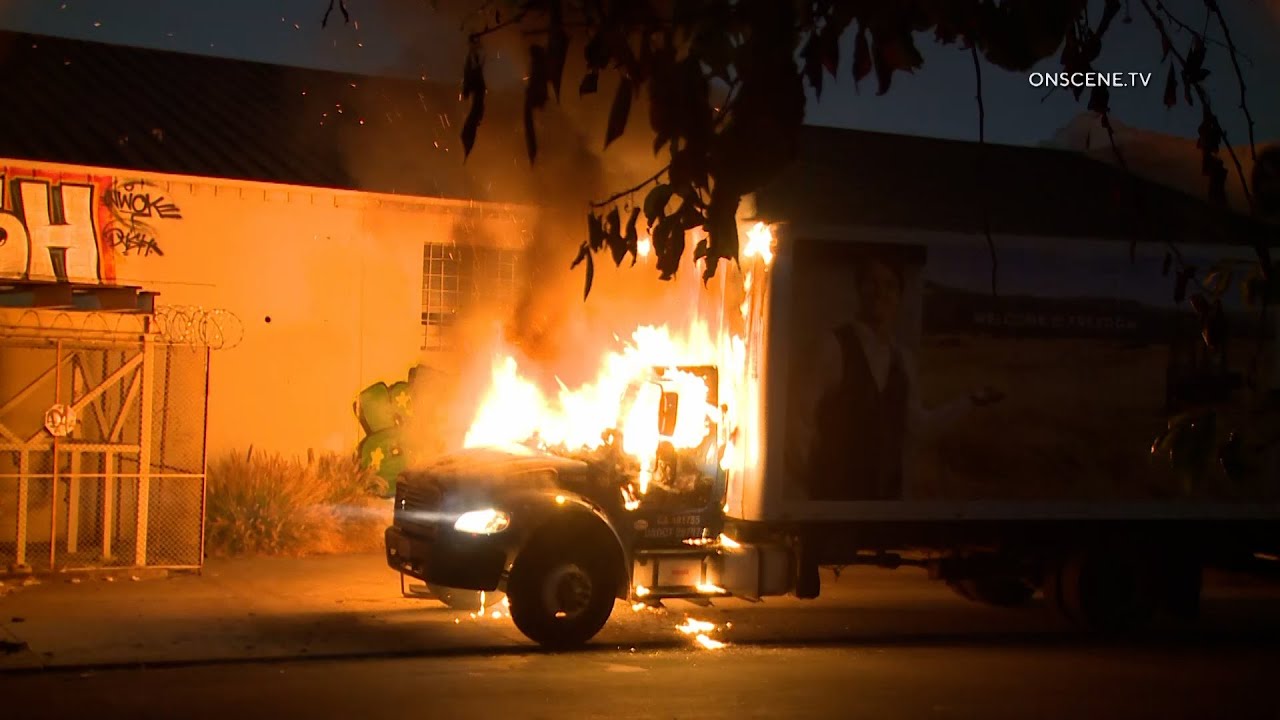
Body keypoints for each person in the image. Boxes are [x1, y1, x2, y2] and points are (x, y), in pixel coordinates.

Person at [792, 256, 1000, 501]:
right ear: (859, 289)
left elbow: (918, 428)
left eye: (890, 285)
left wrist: (971, 401)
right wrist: (814, 492)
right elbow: (798, 425)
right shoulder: (831, 347)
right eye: (872, 283)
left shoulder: (902, 360)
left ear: (899, 296)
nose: (881, 293)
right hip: (834, 506)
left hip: (886, 504)